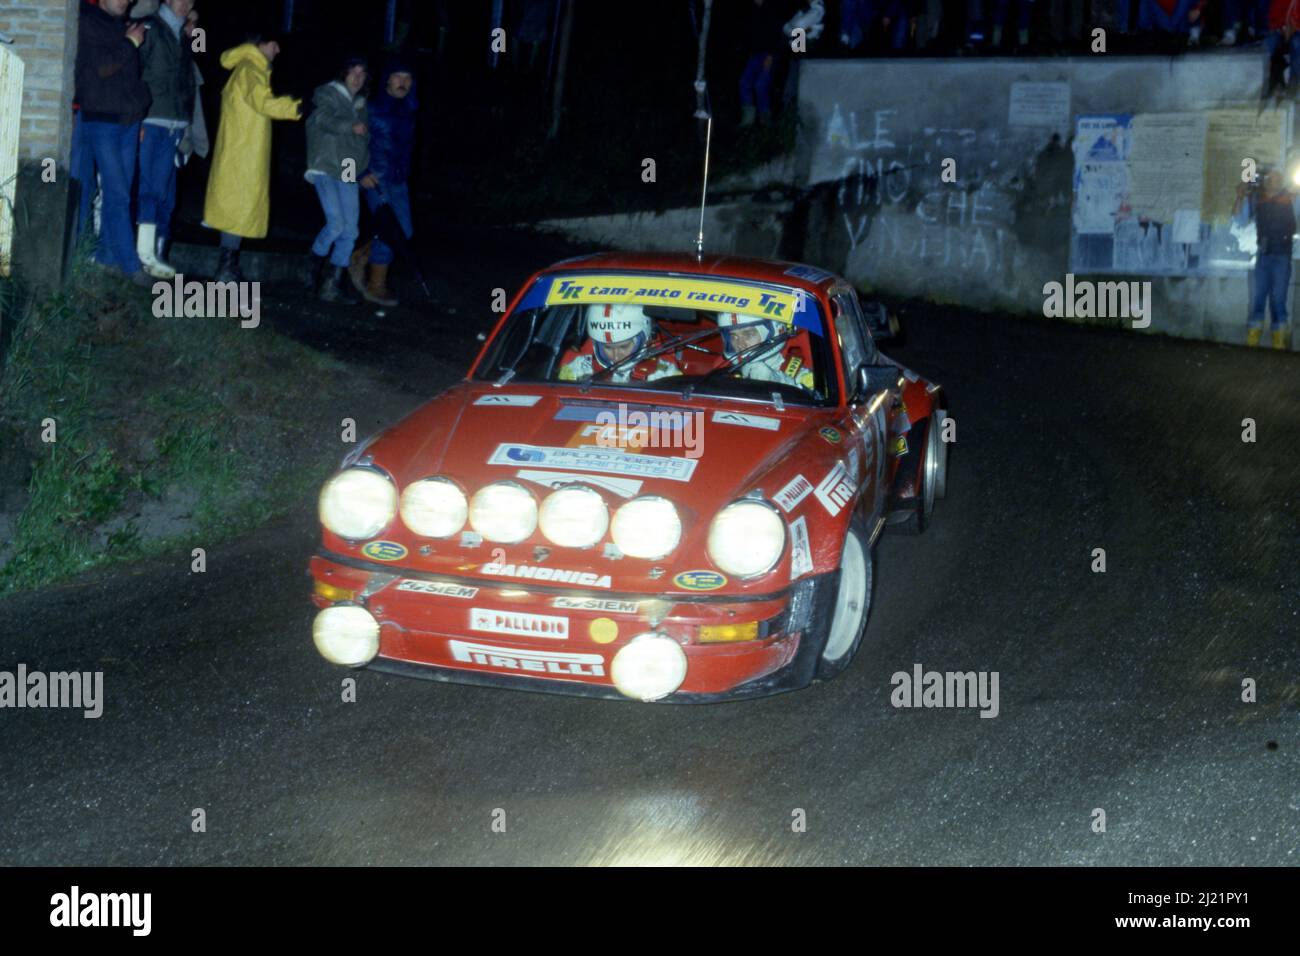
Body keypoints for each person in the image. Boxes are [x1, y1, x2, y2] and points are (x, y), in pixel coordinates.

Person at [202, 34, 302, 283]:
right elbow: (263, 102)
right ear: (260, 44)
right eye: (274, 44)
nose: (277, 50)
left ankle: (228, 267)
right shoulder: (250, 69)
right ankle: (225, 270)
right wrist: (296, 108)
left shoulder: (249, 68)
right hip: (242, 153)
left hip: (241, 150)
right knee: (236, 210)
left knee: (236, 209)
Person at [73, 0, 152, 285]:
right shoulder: (87, 20)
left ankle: (107, 258)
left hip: (127, 120)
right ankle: (131, 267)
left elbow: (129, 75)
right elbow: (103, 67)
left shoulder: (118, 24)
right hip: (101, 119)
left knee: (120, 192)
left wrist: (139, 111)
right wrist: (130, 42)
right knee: (116, 193)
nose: (125, 1)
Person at [134, 0, 199, 279]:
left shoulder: (183, 36)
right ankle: (145, 254)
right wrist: (136, 117)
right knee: (151, 188)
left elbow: (188, 81)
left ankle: (158, 252)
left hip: (175, 124)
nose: (185, 5)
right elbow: (134, 71)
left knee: (168, 194)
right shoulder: (149, 26)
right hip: (152, 120)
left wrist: (186, 125)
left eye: (190, 1)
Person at [350, 60, 417, 307]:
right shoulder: (370, 107)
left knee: (404, 231)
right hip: (375, 178)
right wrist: (359, 174)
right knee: (390, 227)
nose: (403, 82)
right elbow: (349, 142)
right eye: (397, 76)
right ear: (387, 80)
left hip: (398, 180)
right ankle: (376, 285)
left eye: (407, 78)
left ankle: (360, 256)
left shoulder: (409, 108)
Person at [304, 56, 370, 303]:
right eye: (353, 72)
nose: (357, 77)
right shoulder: (327, 93)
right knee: (336, 224)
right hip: (326, 164)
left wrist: (364, 169)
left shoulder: (362, 105)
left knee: (351, 230)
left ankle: (332, 283)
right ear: (344, 74)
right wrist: (349, 125)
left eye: (362, 73)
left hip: (349, 168)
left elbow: (364, 141)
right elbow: (321, 119)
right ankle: (311, 267)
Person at [1232, 165, 1297, 349]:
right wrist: (1240, 195)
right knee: (1257, 298)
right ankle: (1253, 337)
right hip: (1263, 255)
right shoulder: (1256, 198)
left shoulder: (1291, 197)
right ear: (1266, 179)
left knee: (1278, 299)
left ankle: (1279, 338)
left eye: (1279, 176)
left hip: (1283, 256)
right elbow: (1238, 219)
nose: (1275, 179)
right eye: (1272, 176)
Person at [558, 305, 681, 383]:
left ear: (644, 339)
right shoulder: (576, 369)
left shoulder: (664, 374)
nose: (616, 355)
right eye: (607, 347)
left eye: (624, 346)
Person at [716, 312, 816, 390]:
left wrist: (776, 382)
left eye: (748, 334)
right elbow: (701, 413)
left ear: (774, 332)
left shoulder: (803, 377)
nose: (740, 344)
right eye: (734, 337)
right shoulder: (721, 372)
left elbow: (818, 411)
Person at [740, 0, 787, 126]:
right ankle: (748, 119)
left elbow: (780, 35)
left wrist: (771, 55)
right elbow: (748, 34)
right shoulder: (751, 11)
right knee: (744, 82)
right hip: (754, 55)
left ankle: (766, 120)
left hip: (770, 55)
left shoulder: (773, 9)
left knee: (760, 85)